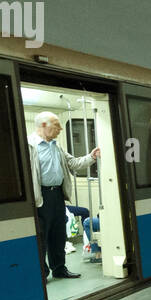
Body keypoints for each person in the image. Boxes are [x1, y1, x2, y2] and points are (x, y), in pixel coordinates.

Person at [28, 111, 100, 280]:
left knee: (58, 235)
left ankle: (59, 269)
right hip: (40, 197)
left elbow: (73, 163)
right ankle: (42, 274)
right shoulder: (30, 146)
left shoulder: (56, 146)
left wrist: (92, 157)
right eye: (56, 125)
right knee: (41, 238)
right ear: (44, 125)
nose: (60, 129)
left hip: (57, 196)